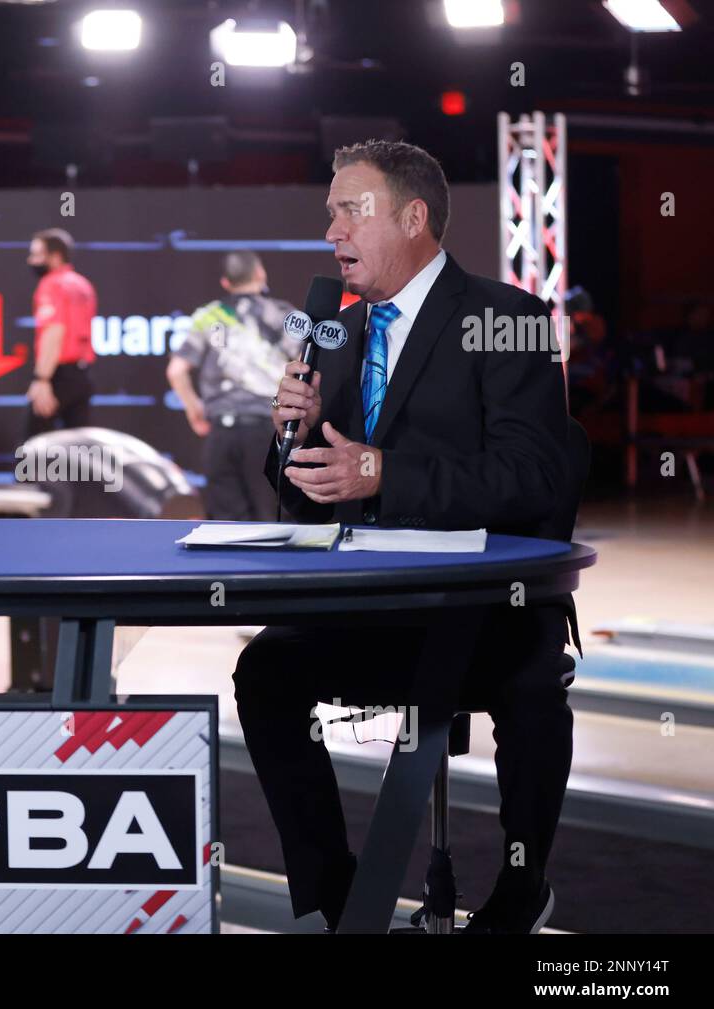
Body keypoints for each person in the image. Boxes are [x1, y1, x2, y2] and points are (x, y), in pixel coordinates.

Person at [233, 140, 578, 933]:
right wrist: (295, 435)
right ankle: (339, 897)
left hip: (487, 612)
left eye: (350, 211)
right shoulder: (334, 334)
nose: (331, 233)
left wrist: (384, 472)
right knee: (267, 673)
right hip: (371, 610)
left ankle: (522, 892)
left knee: (532, 689)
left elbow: (532, 476)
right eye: (329, 215)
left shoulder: (509, 319)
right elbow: (303, 492)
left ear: (414, 217)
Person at [168, 250, 298, 521]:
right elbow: (301, 368)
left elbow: (176, 371)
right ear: (260, 275)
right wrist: (281, 408)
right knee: (271, 517)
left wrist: (195, 410)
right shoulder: (282, 314)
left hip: (221, 434)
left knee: (226, 524)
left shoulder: (208, 316)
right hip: (266, 429)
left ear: (226, 283)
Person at [24, 228, 97, 436]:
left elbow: (54, 332)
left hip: (58, 375)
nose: (31, 261)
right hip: (82, 375)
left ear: (55, 257)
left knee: (31, 449)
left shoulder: (51, 285)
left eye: (37, 255)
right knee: (79, 450)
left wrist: (42, 380)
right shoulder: (82, 284)